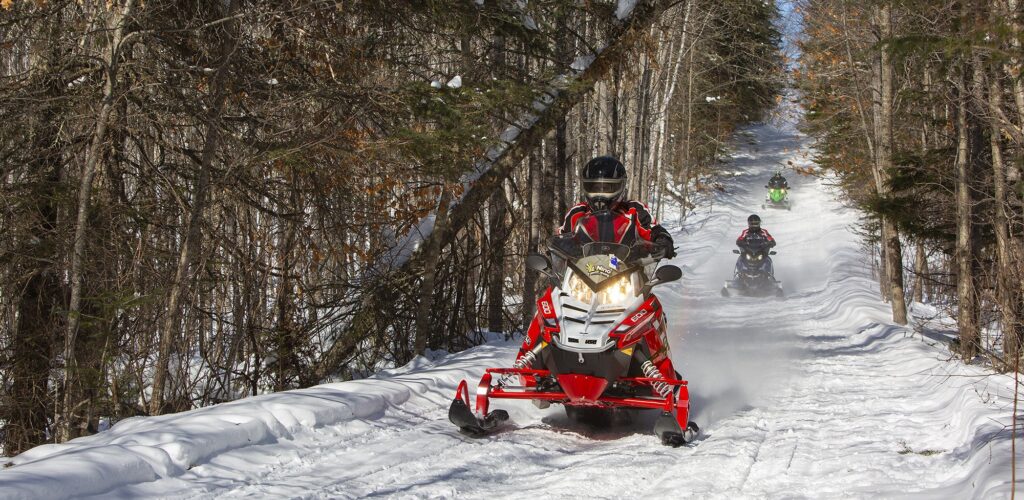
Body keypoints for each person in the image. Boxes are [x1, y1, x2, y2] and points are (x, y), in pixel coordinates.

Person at [559, 156, 676, 258]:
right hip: (584, 273)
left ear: (621, 187)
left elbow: (653, 229)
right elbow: (562, 239)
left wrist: (663, 240)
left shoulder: (634, 210)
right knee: (556, 283)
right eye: (595, 188)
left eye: (607, 188)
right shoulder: (577, 213)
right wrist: (558, 252)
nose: (600, 195)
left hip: (627, 272)